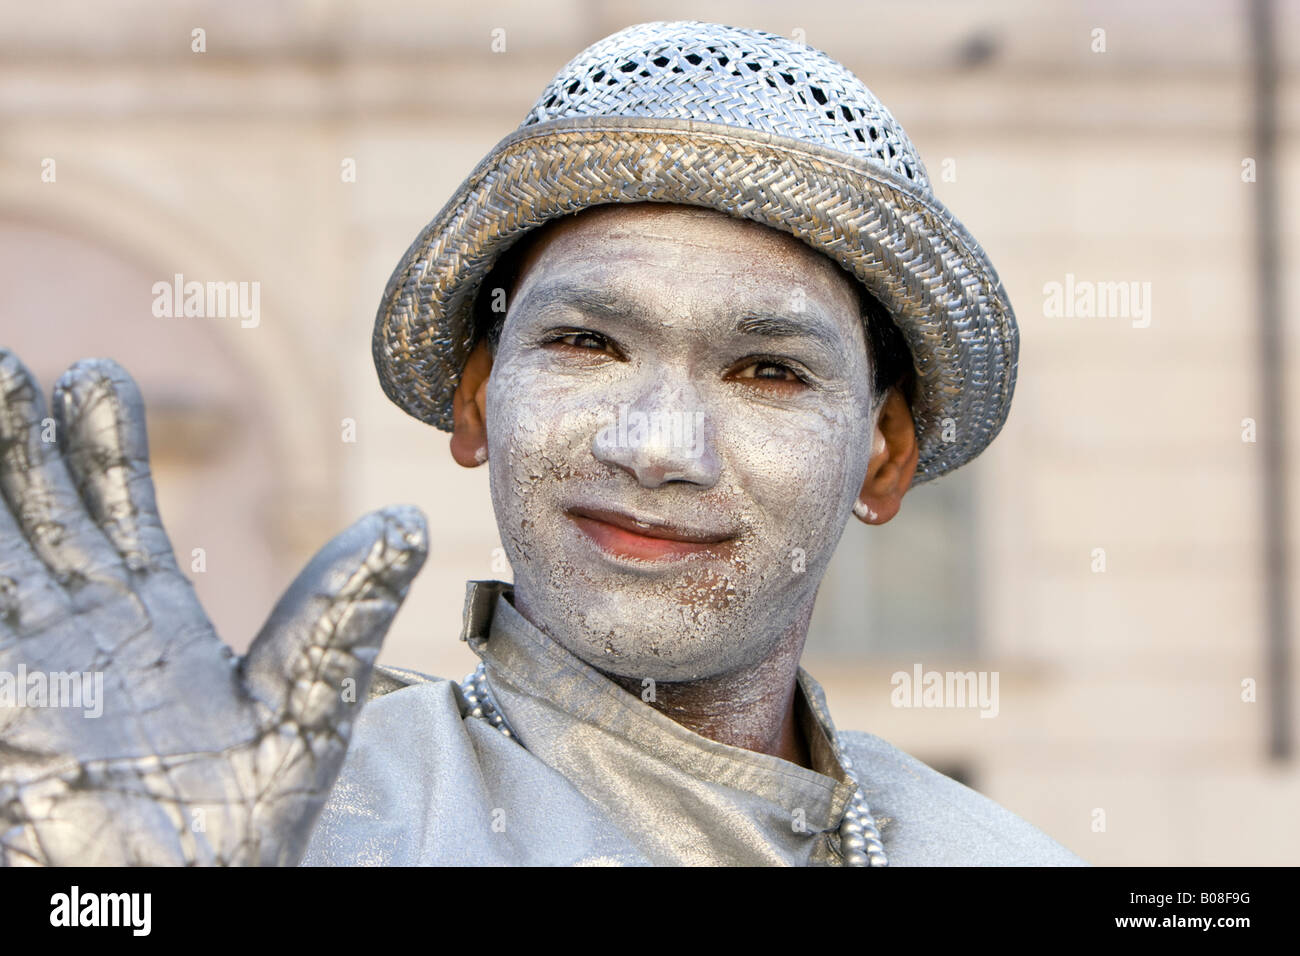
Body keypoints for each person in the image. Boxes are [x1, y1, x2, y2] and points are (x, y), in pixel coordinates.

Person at [0, 21, 1084, 866]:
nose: (658, 445)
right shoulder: (281, 822)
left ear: (884, 456)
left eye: (768, 370)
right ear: (477, 397)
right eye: (585, 341)